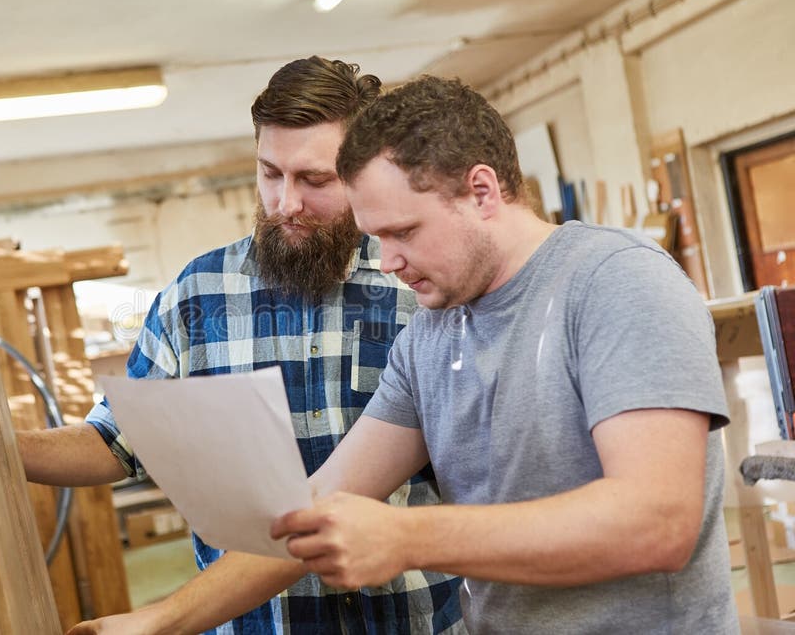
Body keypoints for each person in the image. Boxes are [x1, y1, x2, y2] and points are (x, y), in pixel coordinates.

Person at [267, 76, 739, 633]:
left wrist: (407, 537)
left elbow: (657, 523)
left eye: (404, 232)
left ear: (482, 192)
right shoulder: (428, 336)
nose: (388, 261)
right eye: (377, 238)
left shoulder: (616, 281)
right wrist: (160, 619)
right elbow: (318, 502)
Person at [22, 57, 464, 634]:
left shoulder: (416, 283)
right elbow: (113, 443)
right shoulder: (196, 295)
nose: (285, 203)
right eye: (270, 173)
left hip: (415, 617)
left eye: (314, 179)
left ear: (364, 172)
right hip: (254, 622)